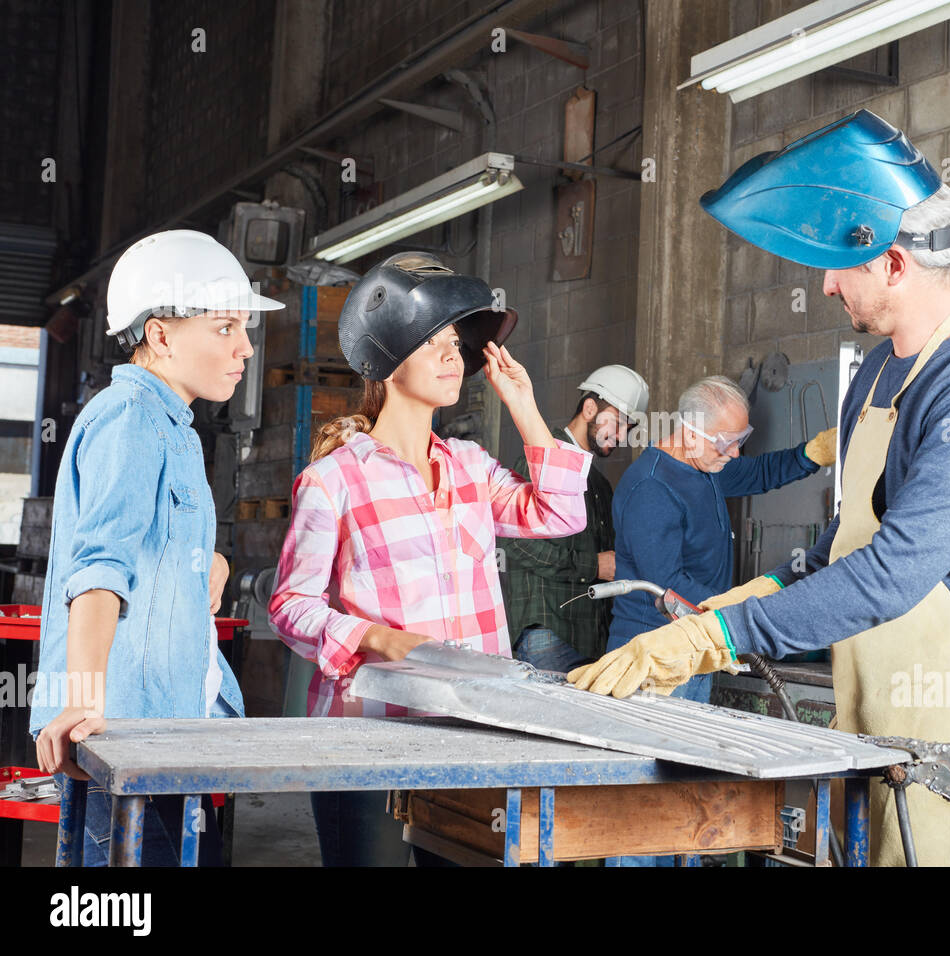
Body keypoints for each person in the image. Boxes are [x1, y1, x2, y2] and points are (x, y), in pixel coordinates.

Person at [570, 109, 950, 868]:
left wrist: (720, 638)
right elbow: (840, 549)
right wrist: (725, 606)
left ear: (894, 263)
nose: (826, 285)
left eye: (840, 265)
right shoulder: (873, 372)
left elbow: (892, 569)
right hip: (876, 695)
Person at [268, 252, 591, 866]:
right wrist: (377, 639)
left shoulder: (469, 467)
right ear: (388, 359)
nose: (454, 356)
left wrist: (524, 406)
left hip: (469, 731)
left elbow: (559, 515)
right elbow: (290, 608)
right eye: (433, 340)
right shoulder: (333, 480)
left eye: (456, 342)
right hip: (370, 737)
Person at [30, 229, 283, 865]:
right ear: (160, 334)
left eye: (243, 328)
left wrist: (208, 563)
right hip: (124, 738)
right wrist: (84, 704)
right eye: (224, 327)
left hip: (165, 732)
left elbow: (149, 557)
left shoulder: (173, 426)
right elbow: (99, 572)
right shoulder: (129, 417)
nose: (244, 347)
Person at [605, 375, 837, 705]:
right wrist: (743, 613)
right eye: (726, 441)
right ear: (689, 433)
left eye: (741, 438)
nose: (734, 451)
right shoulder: (651, 489)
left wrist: (811, 454)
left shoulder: (706, 464)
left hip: (695, 644)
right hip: (655, 659)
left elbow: (759, 472)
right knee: (662, 753)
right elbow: (668, 585)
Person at [503, 364, 649, 672]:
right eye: (619, 423)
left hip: (588, 641)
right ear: (590, 408)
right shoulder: (542, 459)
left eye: (628, 428)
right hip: (548, 633)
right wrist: (594, 565)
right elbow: (517, 543)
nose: (622, 436)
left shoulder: (599, 485)